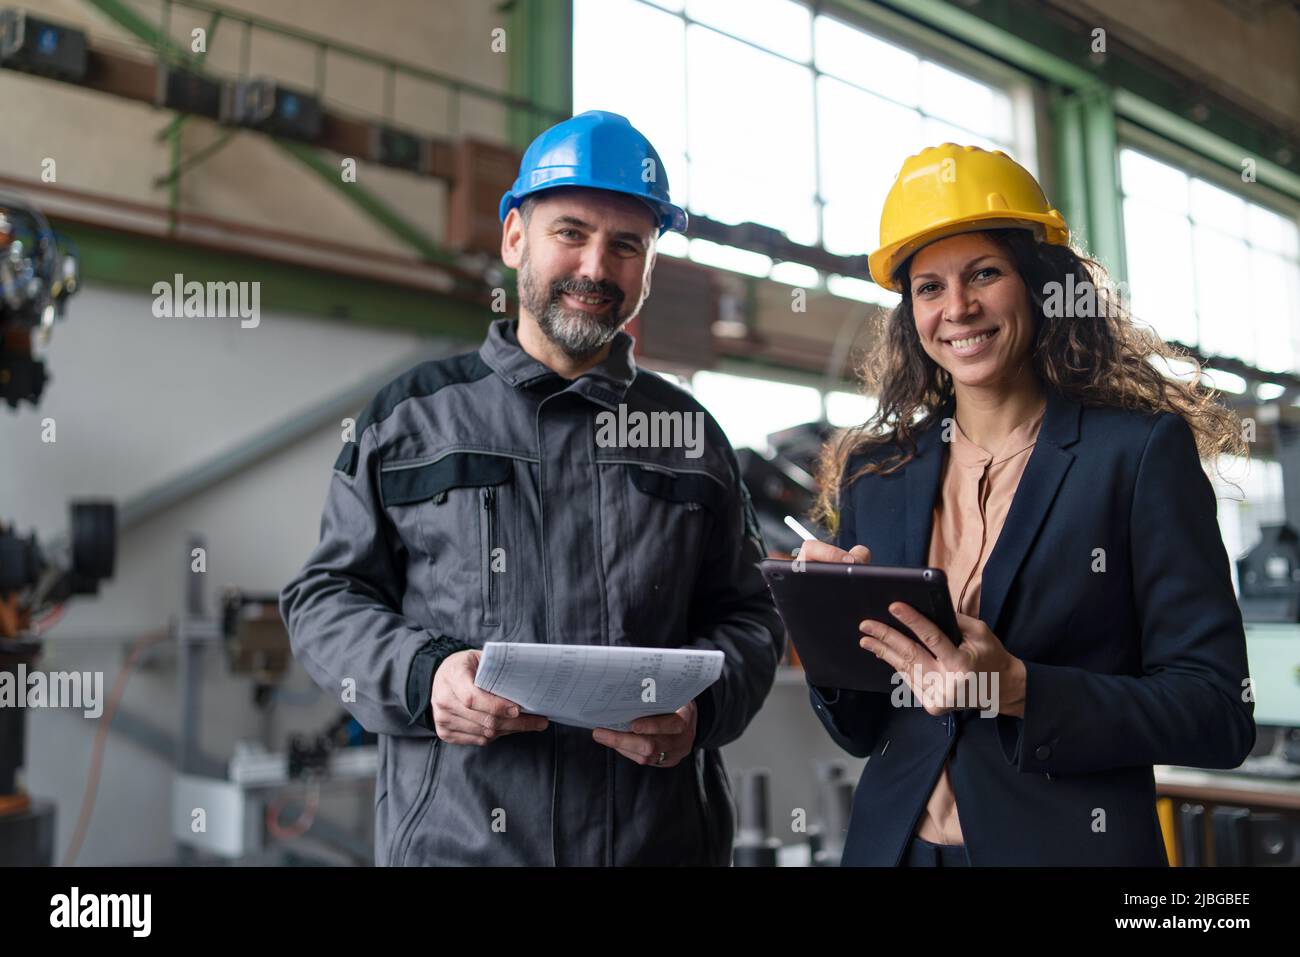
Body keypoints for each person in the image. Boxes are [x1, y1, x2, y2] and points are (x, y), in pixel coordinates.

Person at [279, 111, 783, 866]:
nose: (595, 267)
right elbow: (324, 600)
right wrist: (426, 674)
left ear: (648, 268)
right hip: (461, 849)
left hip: (657, 847)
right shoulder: (411, 419)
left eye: (626, 246)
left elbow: (750, 617)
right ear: (516, 236)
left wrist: (702, 709)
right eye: (571, 233)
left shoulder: (690, 435)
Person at [799, 142, 1256, 866]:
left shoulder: (1136, 458)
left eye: (985, 273)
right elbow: (862, 727)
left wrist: (1018, 687)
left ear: (1040, 285)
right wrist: (825, 626)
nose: (959, 308)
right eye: (929, 287)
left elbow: (1217, 712)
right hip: (896, 850)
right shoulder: (877, 474)